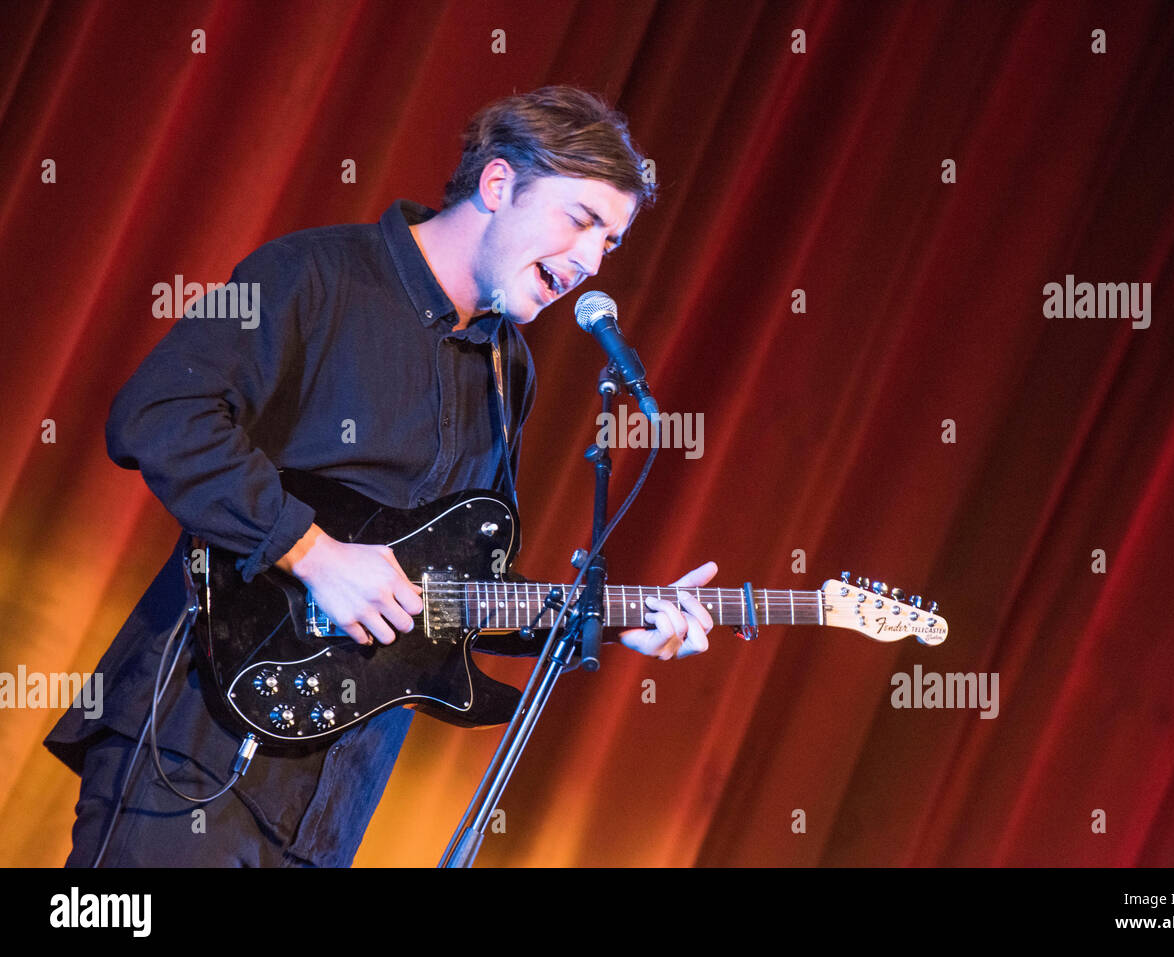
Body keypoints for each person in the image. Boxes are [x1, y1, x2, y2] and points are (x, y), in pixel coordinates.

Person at [45, 86, 717, 867]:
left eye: (612, 244)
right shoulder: (317, 275)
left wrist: (603, 618)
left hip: (330, 811)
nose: (591, 262)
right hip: (196, 746)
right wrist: (312, 552)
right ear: (498, 186)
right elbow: (158, 413)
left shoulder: (507, 371)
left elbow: (443, 591)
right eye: (582, 221)